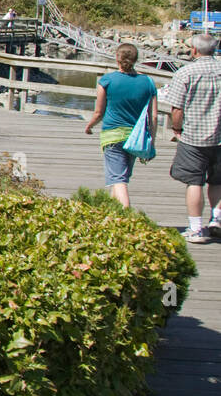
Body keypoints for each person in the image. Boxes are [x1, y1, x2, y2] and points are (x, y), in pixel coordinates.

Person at [160, 34, 221, 243]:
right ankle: (217, 219)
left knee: (194, 181)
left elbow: (176, 108)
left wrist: (177, 129)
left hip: (194, 137)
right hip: (220, 137)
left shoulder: (186, 72)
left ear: (194, 50)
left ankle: (196, 229)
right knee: (218, 180)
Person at [84, 43, 158, 210]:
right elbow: (153, 115)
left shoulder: (107, 80)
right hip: (135, 138)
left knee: (118, 180)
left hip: (112, 136)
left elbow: (98, 113)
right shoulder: (148, 82)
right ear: (136, 59)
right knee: (120, 178)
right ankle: (113, 215)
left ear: (117, 58)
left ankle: (126, 216)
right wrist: (151, 142)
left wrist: (89, 126)